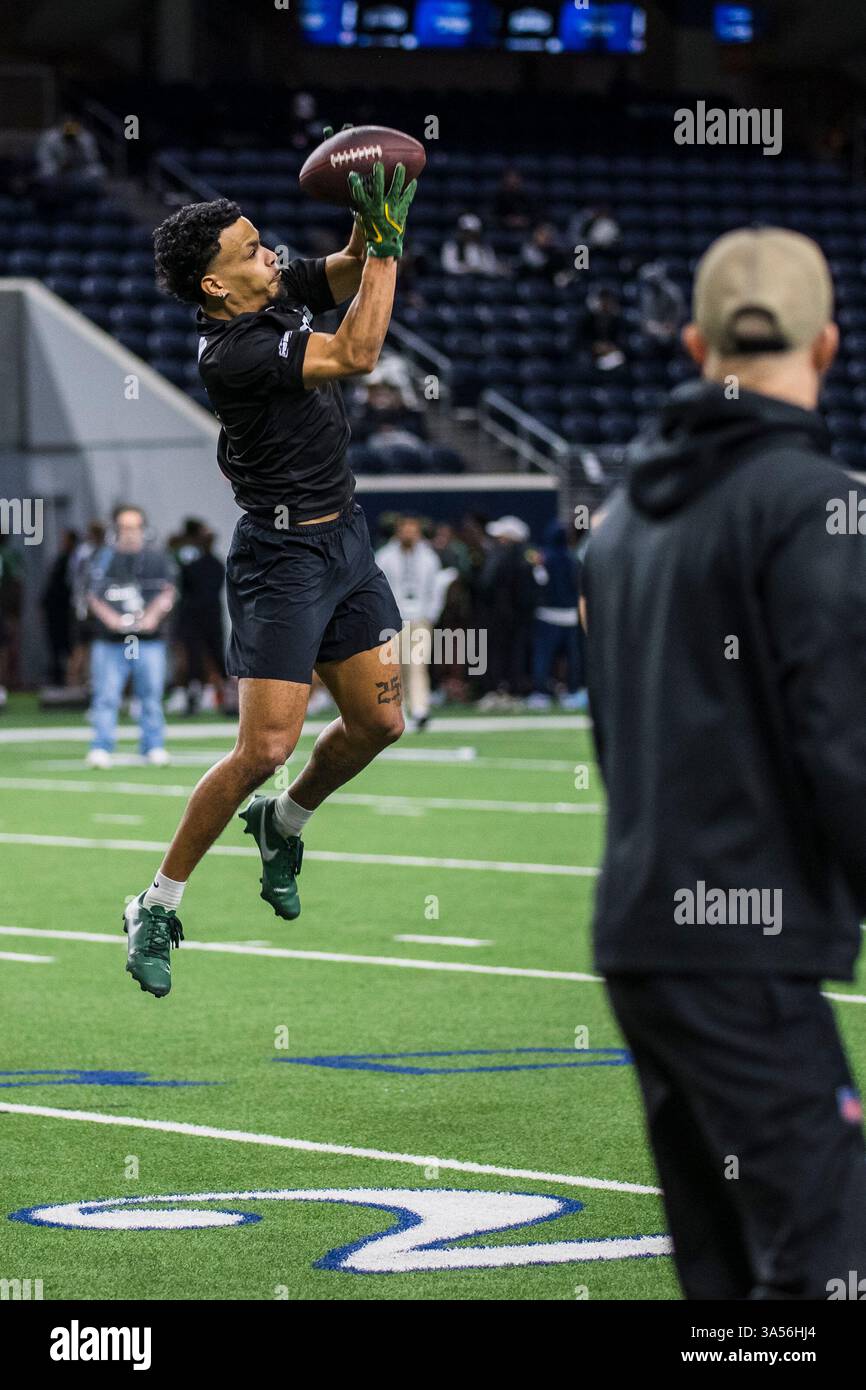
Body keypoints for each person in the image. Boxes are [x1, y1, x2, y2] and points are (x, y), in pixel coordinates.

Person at [581, 227, 866, 1299]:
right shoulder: (812, 502)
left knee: (725, 1271)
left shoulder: (616, 522)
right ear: (825, 345)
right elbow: (841, 740)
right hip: (745, 940)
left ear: (695, 343)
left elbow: (614, 742)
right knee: (823, 1266)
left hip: (644, 926)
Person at [137, 157, 417, 997]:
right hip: (282, 559)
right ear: (216, 288)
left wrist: (370, 210)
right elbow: (361, 351)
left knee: (379, 725)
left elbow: (341, 269)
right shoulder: (237, 349)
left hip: (346, 541)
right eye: (252, 251)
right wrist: (391, 250)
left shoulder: (270, 289)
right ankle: (156, 902)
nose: (271, 256)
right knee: (264, 747)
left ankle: (283, 823)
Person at [85, 506, 177, 769]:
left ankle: (153, 744)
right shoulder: (103, 558)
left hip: (148, 639)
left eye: (135, 527)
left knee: (151, 694)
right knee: (106, 694)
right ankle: (101, 745)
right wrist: (112, 620)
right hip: (111, 640)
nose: (130, 533)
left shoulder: (157, 558)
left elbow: (168, 591)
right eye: (124, 527)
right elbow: (91, 594)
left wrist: (151, 617)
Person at [376, 516, 447, 730]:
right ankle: (399, 710)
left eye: (413, 530)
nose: (409, 534)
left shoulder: (429, 557)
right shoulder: (385, 557)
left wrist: (431, 615)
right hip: (393, 618)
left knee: (417, 664)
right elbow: (379, 588)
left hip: (420, 618)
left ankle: (420, 709)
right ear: (398, 531)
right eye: (405, 529)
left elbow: (436, 589)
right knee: (394, 666)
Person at [477, 516, 541, 709]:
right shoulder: (527, 557)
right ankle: (509, 690)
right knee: (514, 653)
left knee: (502, 653)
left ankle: (502, 690)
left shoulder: (503, 557)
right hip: (516, 616)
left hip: (502, 616)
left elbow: (486, 584)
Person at [527, 521, 585, 710]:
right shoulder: (572, 559)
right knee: (571, 658)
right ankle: (572, 692)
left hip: (548, 616)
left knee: (544, 657)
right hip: (569, 616)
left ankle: (541, 693)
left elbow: (539, 583)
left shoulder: (544, 559)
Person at [41, 528, 79, 686]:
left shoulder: (74, 560)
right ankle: (58, 676)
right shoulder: (62, 558)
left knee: (68, 644)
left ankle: (69, 680)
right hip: (54, 609)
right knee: (56, 645)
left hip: (64, 610)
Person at [637, 260, 685, 347]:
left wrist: (671, 325)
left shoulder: (673, 292)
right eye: (649, 281)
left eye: (653, 281)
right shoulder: (646, 294)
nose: (652, 283)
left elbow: (678, 315)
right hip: (654, 331)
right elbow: (646, 320)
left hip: (671, 330)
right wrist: (654, 327)